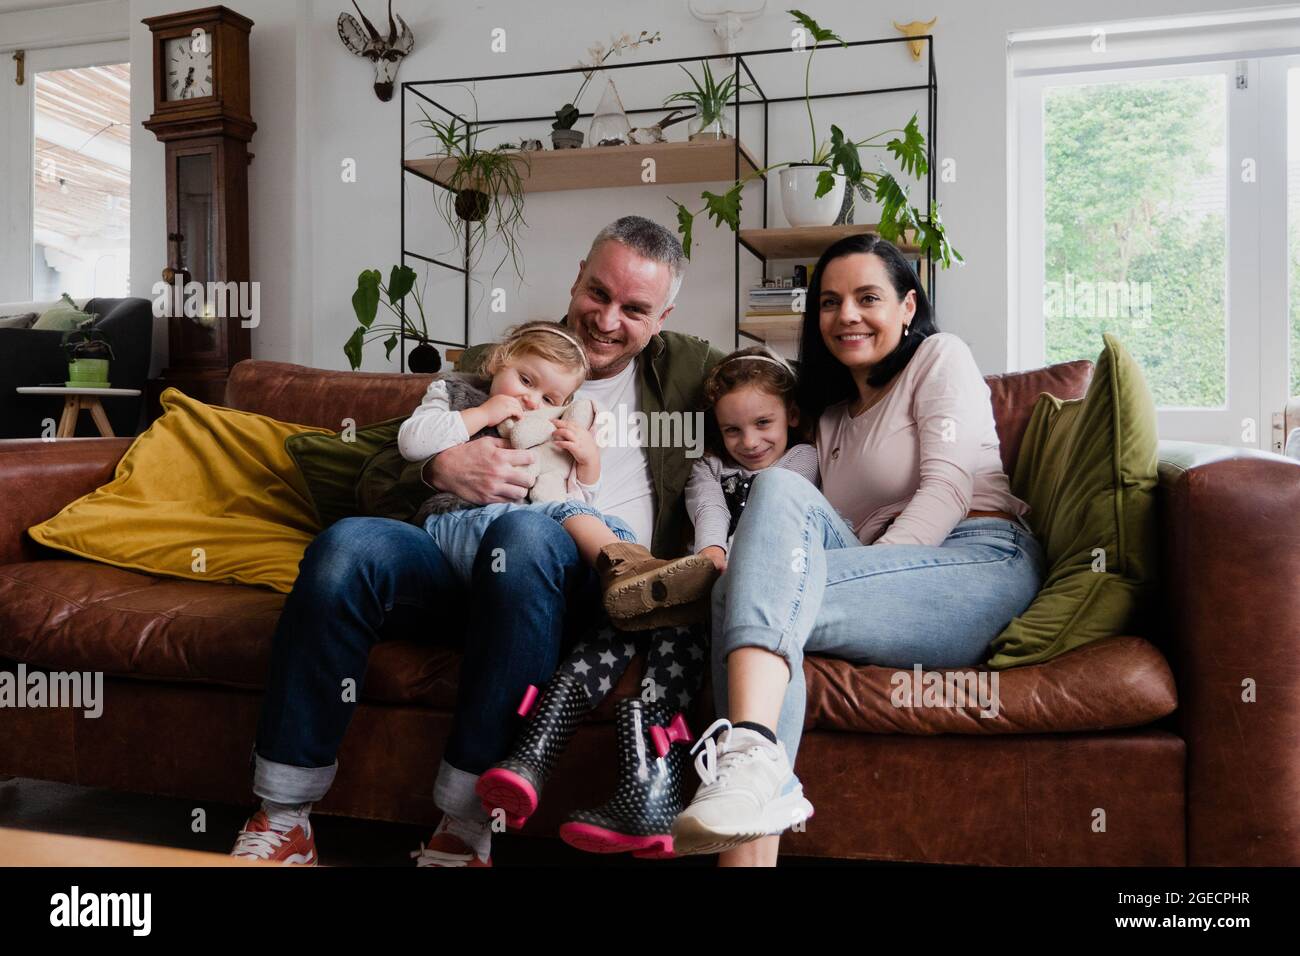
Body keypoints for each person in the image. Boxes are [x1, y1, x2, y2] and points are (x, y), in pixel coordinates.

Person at [230, 215, 725, 867]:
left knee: (523, 533)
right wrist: (441, 468)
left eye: (634, 309)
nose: (607, 320)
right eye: (597, 293)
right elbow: (380, 473)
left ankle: (465, 828)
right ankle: (285, 815)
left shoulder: (694, 374)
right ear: (577, 277)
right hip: (453, 559)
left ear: (663, 316)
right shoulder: (505, 365)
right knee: (346, 548)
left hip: (579, 584)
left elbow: (783, 412)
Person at [670, 233, 1047, 864]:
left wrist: (829, 573)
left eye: (867, 297)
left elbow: (948, 488)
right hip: (879, 584)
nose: (846, 314)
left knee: (749, 592)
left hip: (975, 559)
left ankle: (749, 760)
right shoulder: (829, 420)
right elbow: (793, 532)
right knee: (776, 497)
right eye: (829, 301)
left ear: (907, 306)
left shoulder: (940, 357)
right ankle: (756, 765)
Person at [397, 320, 714, 610]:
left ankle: (644, 583)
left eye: (549, 400)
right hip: (453, 524)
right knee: (555, 519)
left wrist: (587, 462)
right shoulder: (454, 392)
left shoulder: (549, 430)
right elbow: (411, 442)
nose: (532, 401)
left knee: (613, 526)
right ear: (499, 361)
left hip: (526, 543)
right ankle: (635, 574)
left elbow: (575, 502)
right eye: (525, 380)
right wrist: (482, 415)